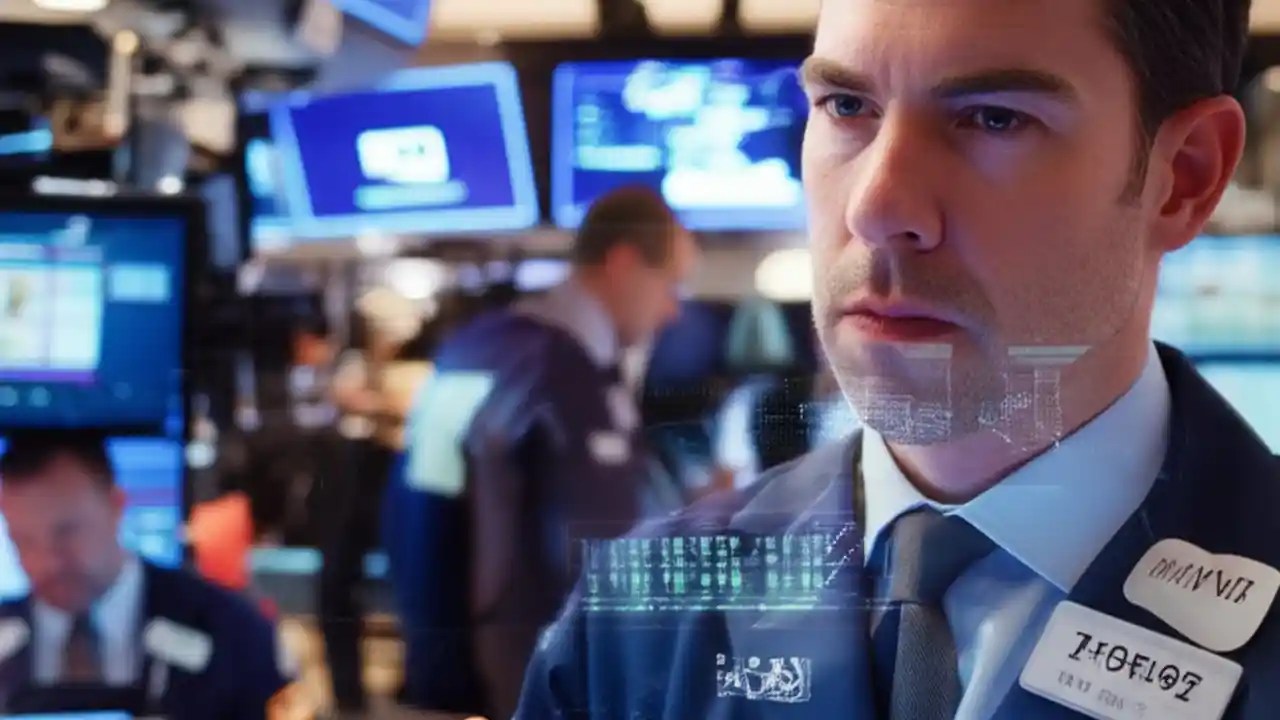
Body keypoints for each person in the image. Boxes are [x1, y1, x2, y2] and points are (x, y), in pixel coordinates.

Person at [517, 1, 1279, 719]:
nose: (876, 208)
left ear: (1184, 178)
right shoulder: (632, 623)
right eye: (847, 107)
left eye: (994, 118)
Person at [387, 185, 698, 719]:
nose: (672, 311)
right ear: (623, 263)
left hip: (445, 674)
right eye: (670, 284)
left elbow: (415, 505)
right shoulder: (561, 376)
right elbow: (588, 567)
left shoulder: (479, 344)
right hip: (528, 685)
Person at [0, 430, 293, 718]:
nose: (47, 562)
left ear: (116, 506)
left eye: (66, 532)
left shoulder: (231, 629)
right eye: (23, 540)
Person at [318, 286, 430, 716]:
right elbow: (344, 394)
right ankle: (347, 693)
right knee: (337, 587)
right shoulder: (355, 366)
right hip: (350, 475)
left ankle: (416, 681)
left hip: (395, 475)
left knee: (414, 583)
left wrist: (379, 403)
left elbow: (405, 407)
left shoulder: (417, 371)